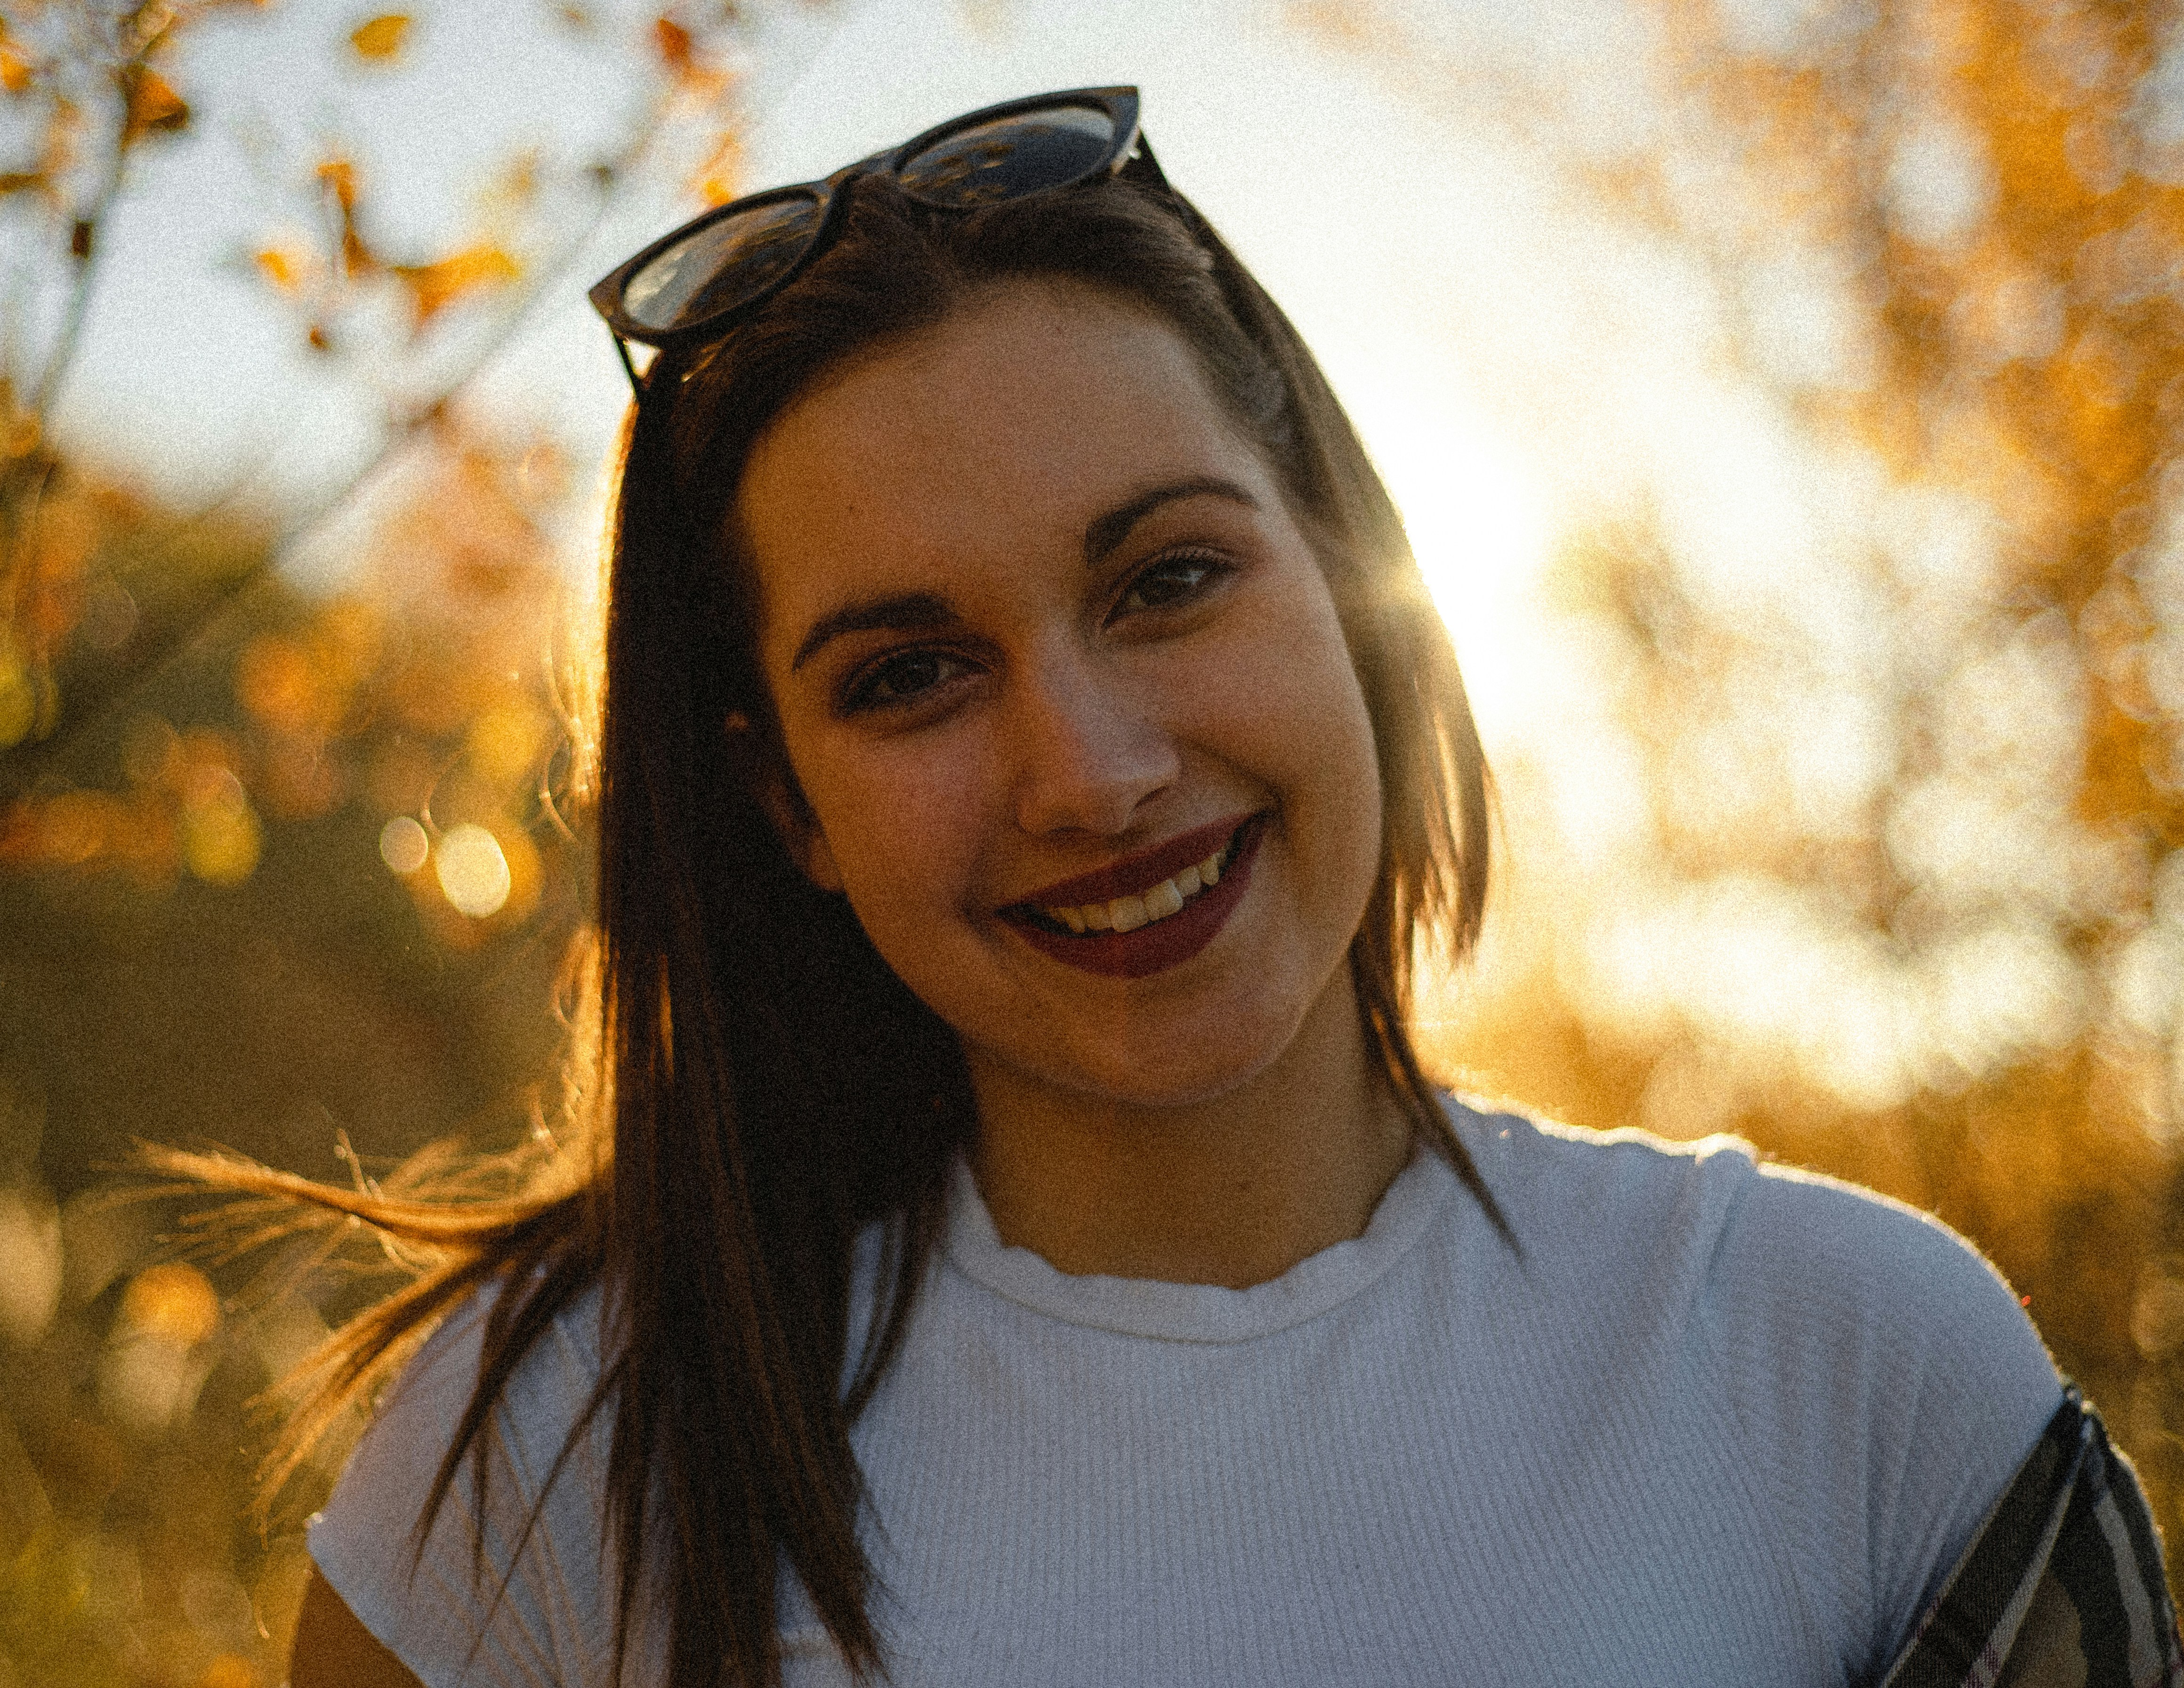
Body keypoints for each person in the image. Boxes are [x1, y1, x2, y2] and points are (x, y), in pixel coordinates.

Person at [243, 88, 2175, 1688]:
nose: (1089, 773)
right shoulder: (558, 1458)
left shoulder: (1845, 1368)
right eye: (907, 675)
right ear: (787, 811)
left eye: (1166, 578)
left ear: (1347, 583)